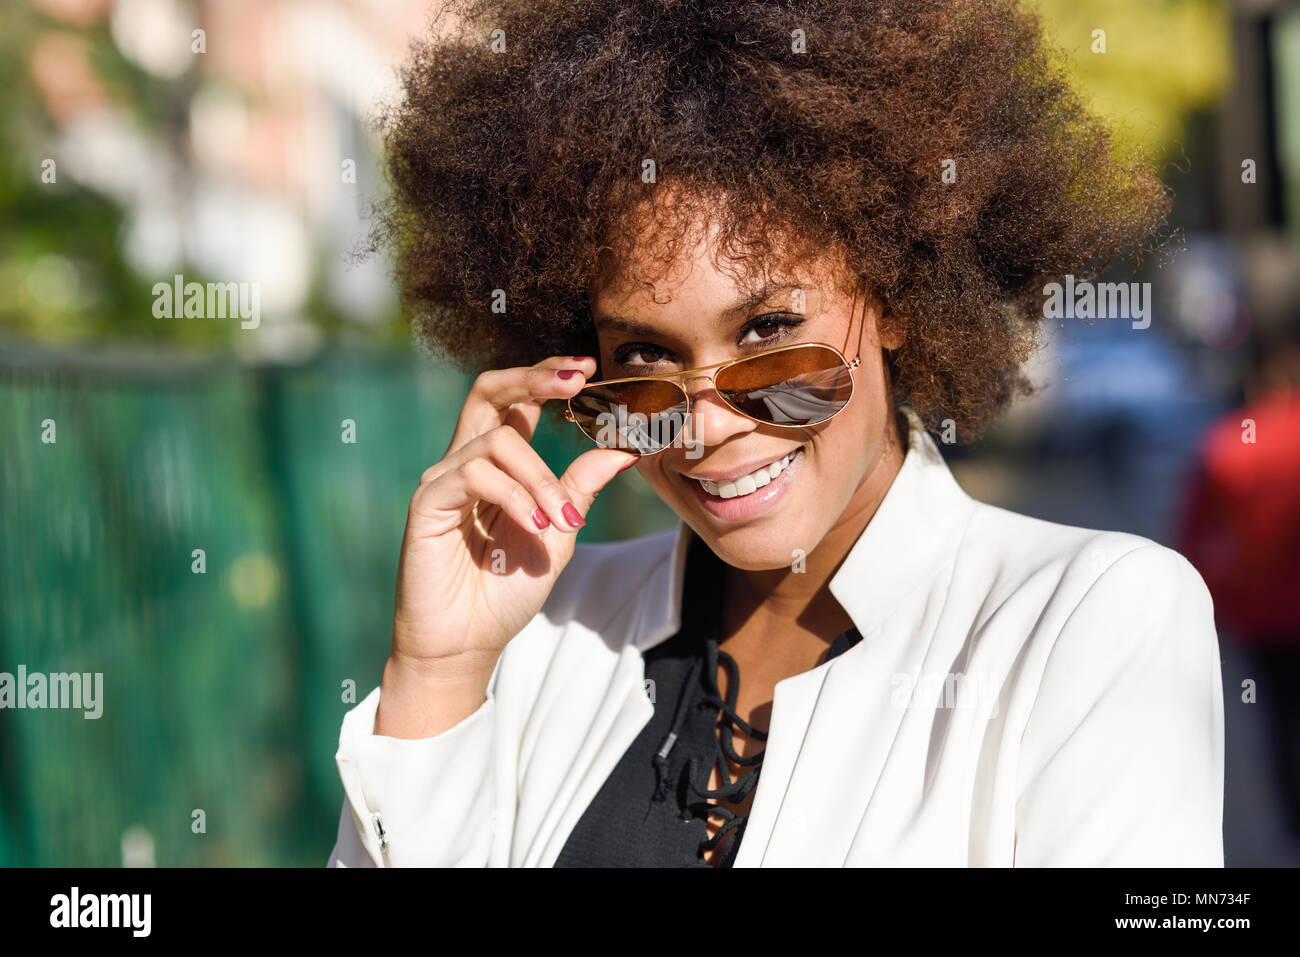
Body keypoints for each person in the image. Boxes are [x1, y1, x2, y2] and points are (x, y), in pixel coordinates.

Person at [326, 0, 1223, 867]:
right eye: (644, 354)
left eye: (767, 335)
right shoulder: (543, 629)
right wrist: (437, 676)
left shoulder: (1084, 623)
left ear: (896, 294)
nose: (708, 426)